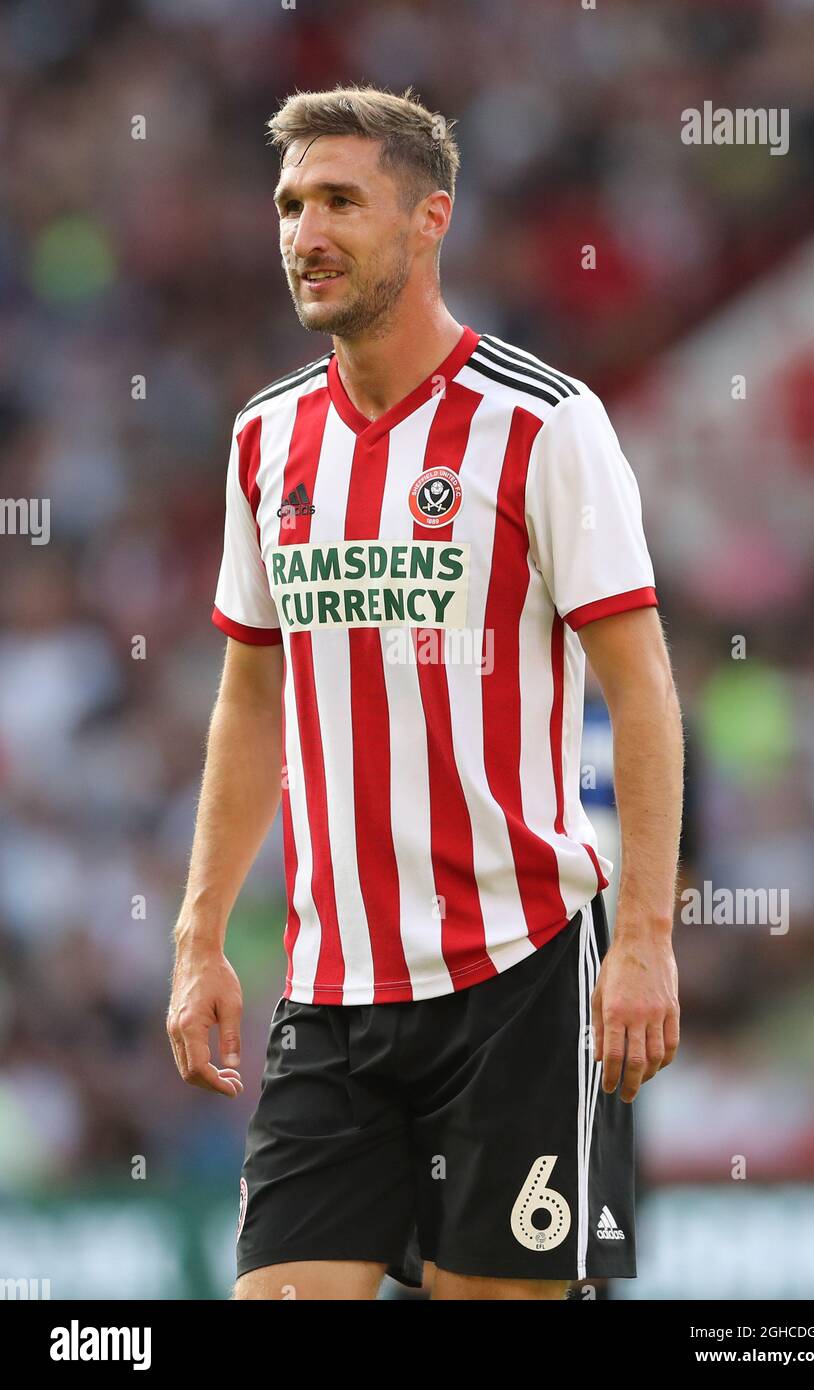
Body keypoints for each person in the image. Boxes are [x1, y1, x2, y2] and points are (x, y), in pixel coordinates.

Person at [166, 84, 683, 1302]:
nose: (305, 231)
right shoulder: (265, 438)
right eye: (291, 204)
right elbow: (251, 697)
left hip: (515, 972)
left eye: (340, 200)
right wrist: (198, 935)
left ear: (427, 219)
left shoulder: (544, 424)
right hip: (332, 989)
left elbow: (644, 689)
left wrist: (649, 940)